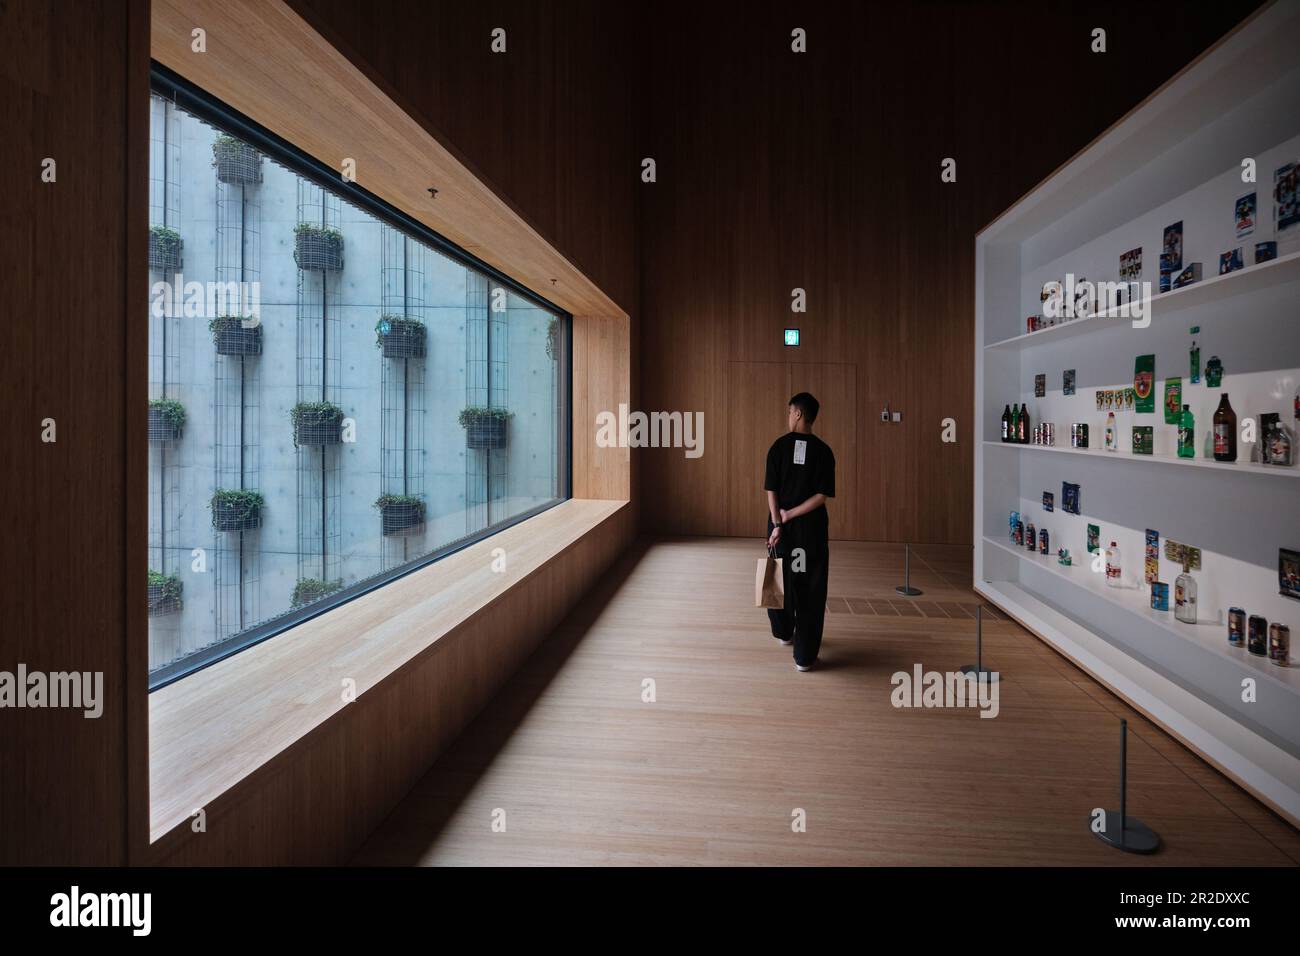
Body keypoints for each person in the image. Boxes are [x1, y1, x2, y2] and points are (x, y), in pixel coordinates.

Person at [763, 392, 835, 671]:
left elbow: (772, 491)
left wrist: (779, 523)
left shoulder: (778, 447)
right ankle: (804, 657)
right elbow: (821, 497)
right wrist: (791, 515)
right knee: (810, 587)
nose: (789, 416)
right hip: (811, 531)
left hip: (781, 530)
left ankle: (783, 632)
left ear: (798, 414)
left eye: (790, 411)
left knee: (778, 579)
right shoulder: (824, 451)